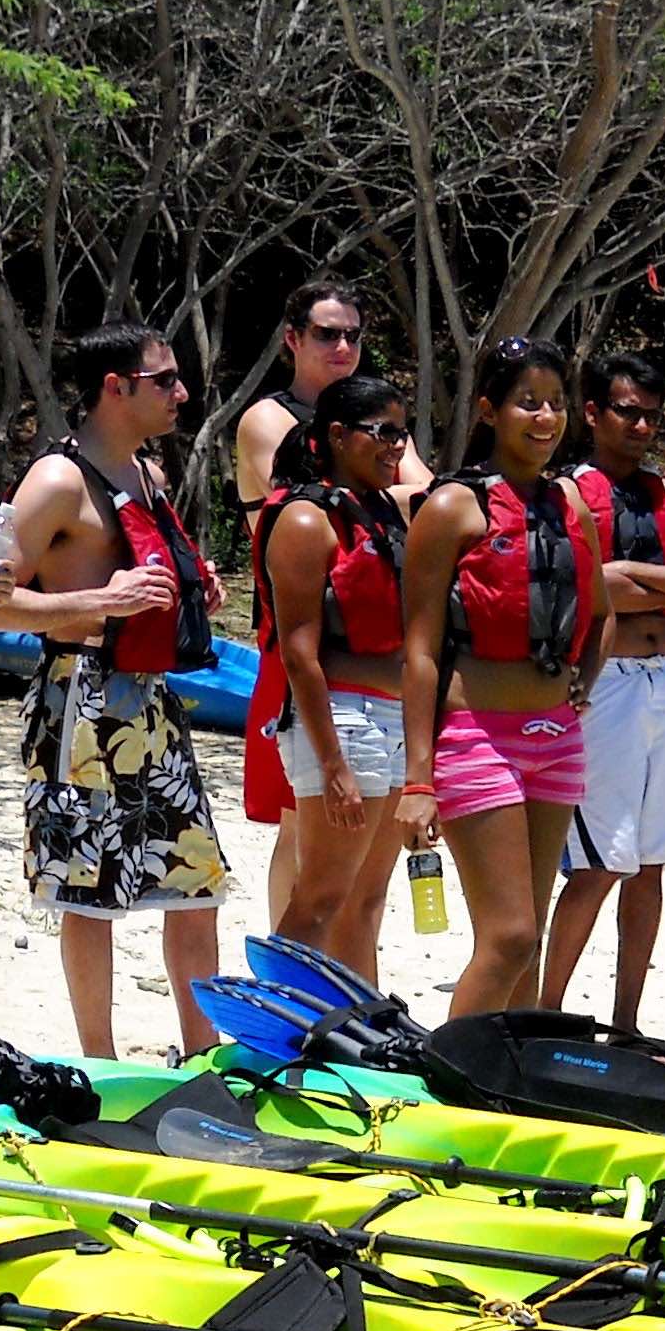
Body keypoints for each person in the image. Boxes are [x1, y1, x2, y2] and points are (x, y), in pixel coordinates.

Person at [0, 321, 226, 1057]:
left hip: (149, 700)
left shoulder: (147, 476)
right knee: (87, 892)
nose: (181, 393)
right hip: (78, 699)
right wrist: (95, 604)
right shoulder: (57, 480)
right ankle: (99, 1057)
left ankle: (203, 1051)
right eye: (164, 381)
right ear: (115, 389)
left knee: (195, 881)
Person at [395, 340, 602, 1016]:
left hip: (558, 737)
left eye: (555, 404)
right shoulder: (453, 507)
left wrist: (584, 680)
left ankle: (505, 1076)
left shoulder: (571, 501)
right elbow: (420, 652)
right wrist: (419, 781)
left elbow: (601, 610)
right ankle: (451, 1078)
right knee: (510, 936)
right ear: (489, 409)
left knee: (528, 940)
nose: (545, 418)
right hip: (476, 738)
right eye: (526, 403)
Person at [230, 279, 431, 928]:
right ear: (292, 339)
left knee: (361, 881)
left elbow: (427, 501)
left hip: (379, 681)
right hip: (304, 654)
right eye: (326, 333)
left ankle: (345, 1003)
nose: (343, 345)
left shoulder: (381, 426)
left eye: (353, 334)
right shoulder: (269, 420)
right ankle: (286, 998)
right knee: (303, 834)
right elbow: (293, 502)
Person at [541, 354, 665, 1035]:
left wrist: (633, 571)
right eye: (628, 411)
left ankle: (626, 1022)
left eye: (652, 414)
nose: (642, 425)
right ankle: (546, 1009)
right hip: (607, 683)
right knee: (597, 862)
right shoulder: (567, 491)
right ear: (593, 413)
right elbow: (589, 589)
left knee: (651, 863)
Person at [249, 375, 417, 980]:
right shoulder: (304, 520)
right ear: (339, 436)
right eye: (385, 433)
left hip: (393, 719)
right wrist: (332, 765)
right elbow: (299, 653)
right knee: (319, 899)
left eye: (405, 432)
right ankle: (272, 1030)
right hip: (342, 722)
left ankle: (356, 1020)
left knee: (367, 898)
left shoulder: (381, 513)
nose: (398, 447)